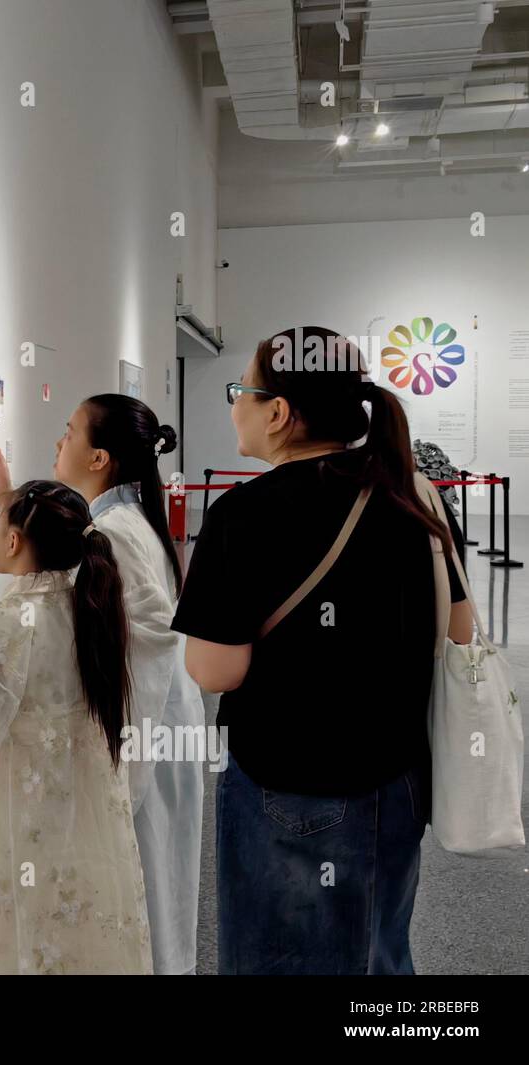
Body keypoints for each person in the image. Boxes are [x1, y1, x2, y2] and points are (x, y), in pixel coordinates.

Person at [171, 326, 473, 975]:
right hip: (398, 780)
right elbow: (463, 626)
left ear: (277, 412)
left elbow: (216, 668)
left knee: (279, 956)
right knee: (378, 950)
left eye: (239, 392)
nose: (234, 407)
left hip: (289, 784)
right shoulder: (412, 495)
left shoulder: (242, 514)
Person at [0, 394, 205, 975]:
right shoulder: (124, 522)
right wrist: (5, 497)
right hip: (162, 724)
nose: (58, 442)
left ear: (99, 457)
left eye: (69, 432)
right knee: (153, 884)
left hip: (149, 732)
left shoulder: (114, 532)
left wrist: (114, 779)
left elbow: (123, 631)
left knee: (141, 884)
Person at [0, 480, 152, 975]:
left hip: (19, 801)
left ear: (14, 541)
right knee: (81, 906)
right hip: (85, 798)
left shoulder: (7, 620)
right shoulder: (93, 604)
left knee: (14, 916)